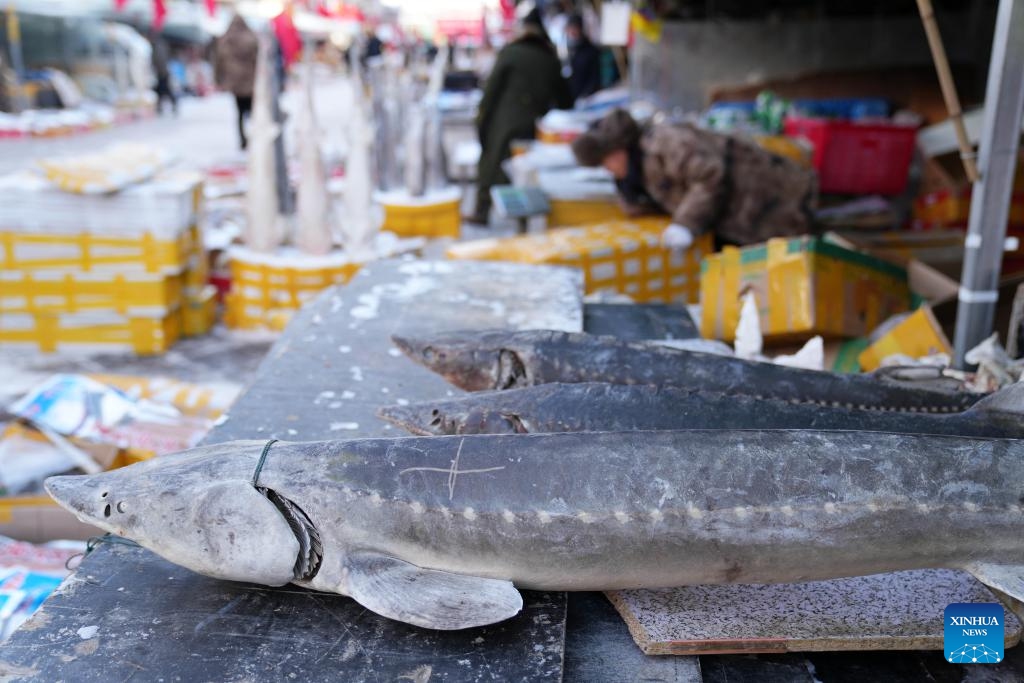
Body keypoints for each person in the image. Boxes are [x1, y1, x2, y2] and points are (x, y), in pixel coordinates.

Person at [571, 109, 818, 249]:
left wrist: (685, 224)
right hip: (742, 220)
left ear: (620, 149)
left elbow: (710, 176)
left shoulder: (665, 143)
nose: (607, 169)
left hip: (771, 198)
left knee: (806, 243)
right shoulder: (636, 174)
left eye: (606, 161)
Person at [470, 9, 572, 226]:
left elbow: (491, 91)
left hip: (503, 121)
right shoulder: (550, 58)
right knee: (525, 173)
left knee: (492, 164)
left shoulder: (511, 53)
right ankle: (523, 223)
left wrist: (481, 119)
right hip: (533, 123)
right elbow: (565, 100)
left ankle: (482, 211)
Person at [214, 15, 259, 150]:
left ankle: (242, 139)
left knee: (239, 113)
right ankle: (254, 136)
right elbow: (258, 60)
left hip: (236, 84)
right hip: (250, 82)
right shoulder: (251, 39)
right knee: (252, 112)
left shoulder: (225, 40)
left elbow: (219, 62)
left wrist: (218, 79)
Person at [566, 13, 600, 103]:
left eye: (575, 28)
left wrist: (586, 95)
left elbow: (595, 77)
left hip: (588, 100)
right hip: (572, 98)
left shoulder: (591, 51)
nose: (572, 32)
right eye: (570, 28)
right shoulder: (568, 49)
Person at [151, 32, 177, 116]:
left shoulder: (158, 46)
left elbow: (159, 60)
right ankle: (160, 107)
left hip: (162, 72)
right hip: (162, 71)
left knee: (164, 90)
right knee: (161, 90)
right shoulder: (160, 45)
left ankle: (164, 106)